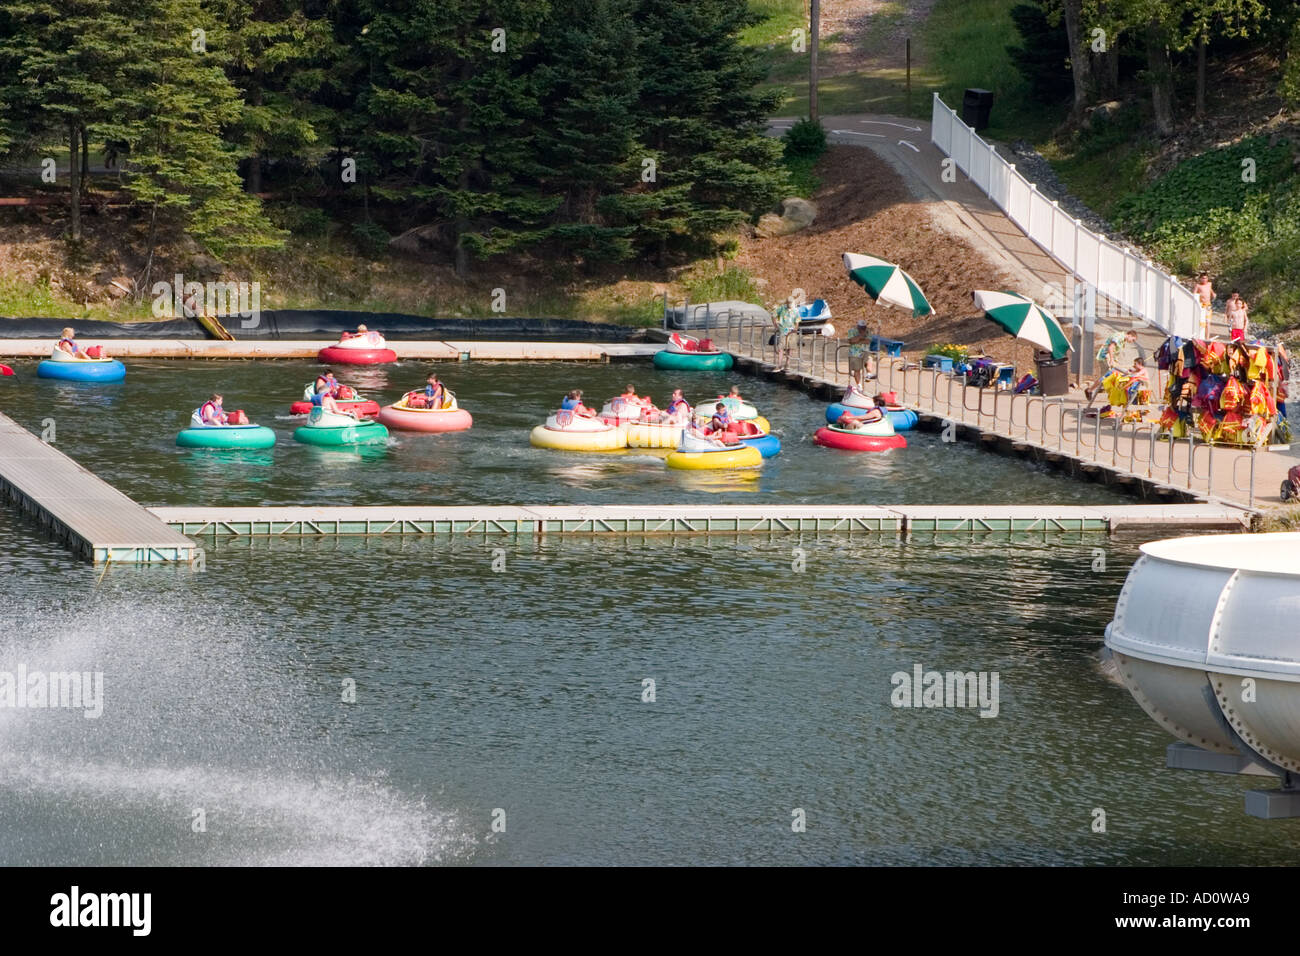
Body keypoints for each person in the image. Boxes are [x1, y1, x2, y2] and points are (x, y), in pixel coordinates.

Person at [772, 295, 799, 369]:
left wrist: (795, 329)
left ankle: (787, 364)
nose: (790, 305)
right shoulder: (782, 308)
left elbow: (797, 321)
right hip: (783, 330)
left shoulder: (795, 310)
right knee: (781, 347)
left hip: (792, 331)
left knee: (790, 348)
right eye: (788, 303)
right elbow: (773, 314)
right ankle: (779, 364)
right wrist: (775, 325)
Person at [848, 319, 873, 386]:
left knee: (869, 359)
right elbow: (851, 340)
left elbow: (867, 341)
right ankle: (859, 385)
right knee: (857, 370)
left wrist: (858, 341)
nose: (862, 329)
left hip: (865, 351)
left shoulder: (868, 331)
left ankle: (869, 374)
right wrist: (860, 336)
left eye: (864, 328)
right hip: (855, 353)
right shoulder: (852, 331)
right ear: (858, 326)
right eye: (861, 328)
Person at [1193, 273, 1214, 339]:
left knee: (1208, 322)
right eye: (1203, 278)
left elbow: (1210, 289)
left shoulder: (1209, 284)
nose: (1204, 280)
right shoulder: (1198, 285)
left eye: (1206, 278)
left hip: (1208, 305)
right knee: (1201, 321)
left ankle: (1207, 337)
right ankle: (1199, 336)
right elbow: (1194, 294)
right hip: (1201, 305)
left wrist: (1213, 293)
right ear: (1200, 279)